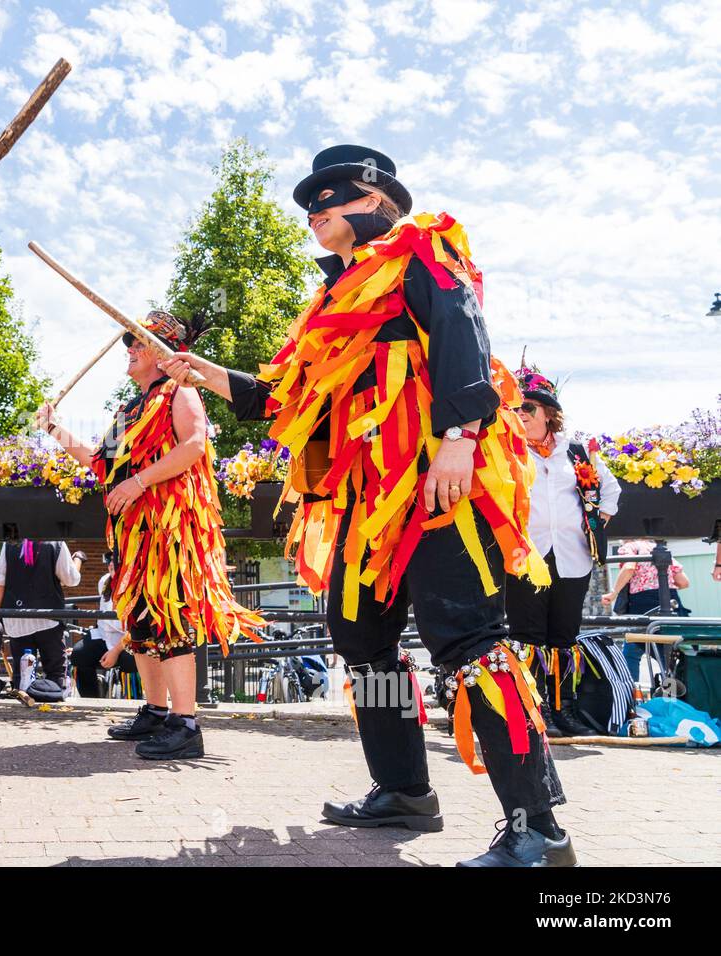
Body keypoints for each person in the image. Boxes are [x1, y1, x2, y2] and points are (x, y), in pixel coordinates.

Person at [159, 145, 573, 866]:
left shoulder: (421, 250)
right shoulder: (328, 302)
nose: (315, 212)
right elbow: (284, 396)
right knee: (359, 639)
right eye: (310, 204)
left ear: (376, 200)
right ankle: (405, 789)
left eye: (329, 197)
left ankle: (540, 830)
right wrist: (204, 373)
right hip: (362, 500)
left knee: (471, 645)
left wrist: (459, 437)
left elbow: (461, 333)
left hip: (439, 486)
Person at [38, 311, 264, 760]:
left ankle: (187, 723)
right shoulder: (129, 410)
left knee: (172, 619)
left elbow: (195, 445)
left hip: (170, 530)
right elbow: (99, 462)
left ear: (164, 356)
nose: (130, 350)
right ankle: (156, 711)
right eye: (129, 342)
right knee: (140, 621)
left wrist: (138, 483)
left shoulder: (180, 391)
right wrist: (52, 428)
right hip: (134, 536)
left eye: (140, 343)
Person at [505, 362, 621, 737]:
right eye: (517, 409)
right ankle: (531, 710)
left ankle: (563, 711)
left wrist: (593, 523)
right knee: (527, 635)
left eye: (529, 408)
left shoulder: (576, 451)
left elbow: (611, 491)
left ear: (548, 414)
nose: (522, 415)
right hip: (527, 555)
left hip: (572, 555)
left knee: (564, 636)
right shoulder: (510, 451)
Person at [0, 539, 83, 690]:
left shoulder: (9, 542)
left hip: (17, 617)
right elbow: (71, 579)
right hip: (47, 616)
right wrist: (78, 559)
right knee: (55, 673)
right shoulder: (55, 542)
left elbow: (0, 580)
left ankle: (21, 707)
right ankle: (52, 704)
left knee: (22, 675)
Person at [603, 538, 691, 681]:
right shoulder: (659, 548)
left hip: (643, 604)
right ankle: (673, 692)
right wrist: (660, 582)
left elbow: (629, 567)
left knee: (632, 650)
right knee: (667, 653)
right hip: (670, 601)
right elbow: (683, 582)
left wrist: (614, 592)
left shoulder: (630, 546)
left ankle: (631, 691)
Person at [68, 559, 136, 698]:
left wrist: (115, 651)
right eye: (110, 560)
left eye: (116, 560)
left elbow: (136, 627)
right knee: (79, 654)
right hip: (103, 635)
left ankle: (132, 698)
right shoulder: (104, 581)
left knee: (130, 660)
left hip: (129, 639)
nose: (111, 563)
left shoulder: (136, 584)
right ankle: (92, 698)